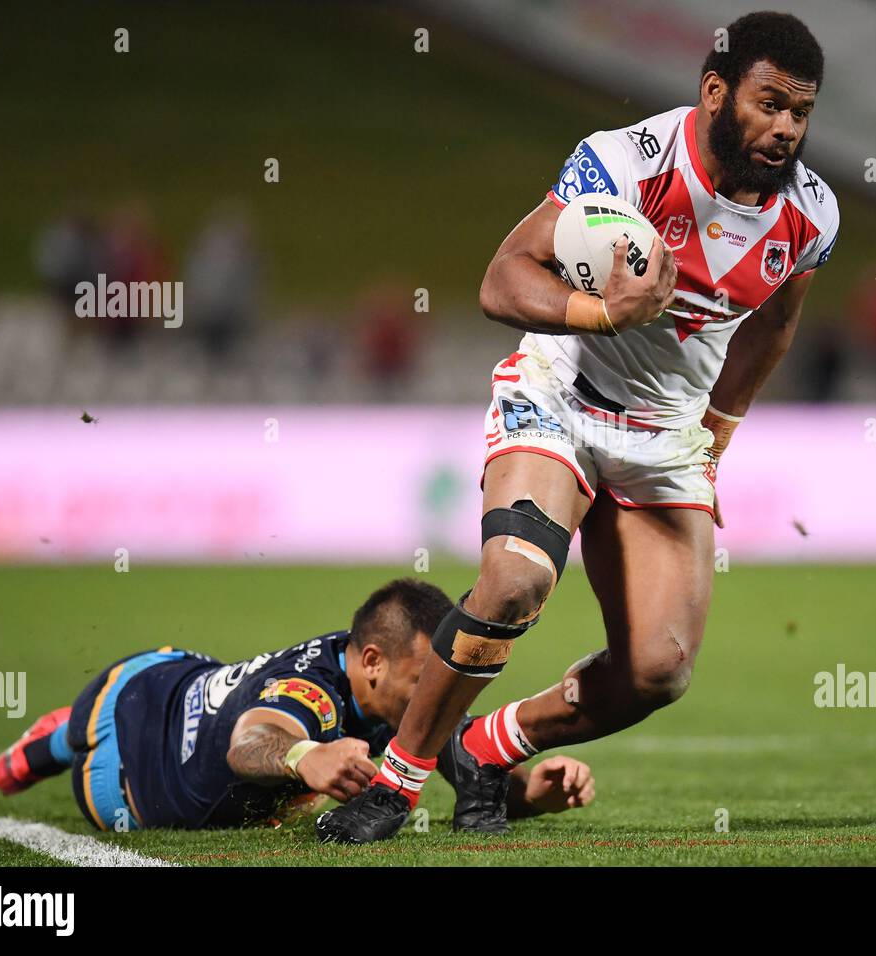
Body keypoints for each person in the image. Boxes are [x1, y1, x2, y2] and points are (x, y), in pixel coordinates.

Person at [317, 11, 839, 844]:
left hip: (665, 435)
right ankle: (396, 783)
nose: (785, 129)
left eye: (800, 113)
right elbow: (501, 279)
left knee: (659, 671)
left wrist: (718, 432)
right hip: (563, 395)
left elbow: (774, 325)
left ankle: (489, 747)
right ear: (715, 92)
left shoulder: (811, 216)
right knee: (518, 578)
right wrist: (600, 311)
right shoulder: (627, 163)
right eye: (769, 103)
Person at [0, 578, 594, 831]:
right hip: (131, 752)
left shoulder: (407, 698)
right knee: (68, 748)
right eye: (421, 678)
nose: (432, 695)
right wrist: (307, 757)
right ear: (373, 662)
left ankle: (66, 731)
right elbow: (249, 742)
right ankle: (57, 736)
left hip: (192, 687)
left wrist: (532, 794)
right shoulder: (311, 693)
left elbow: (470, 768)